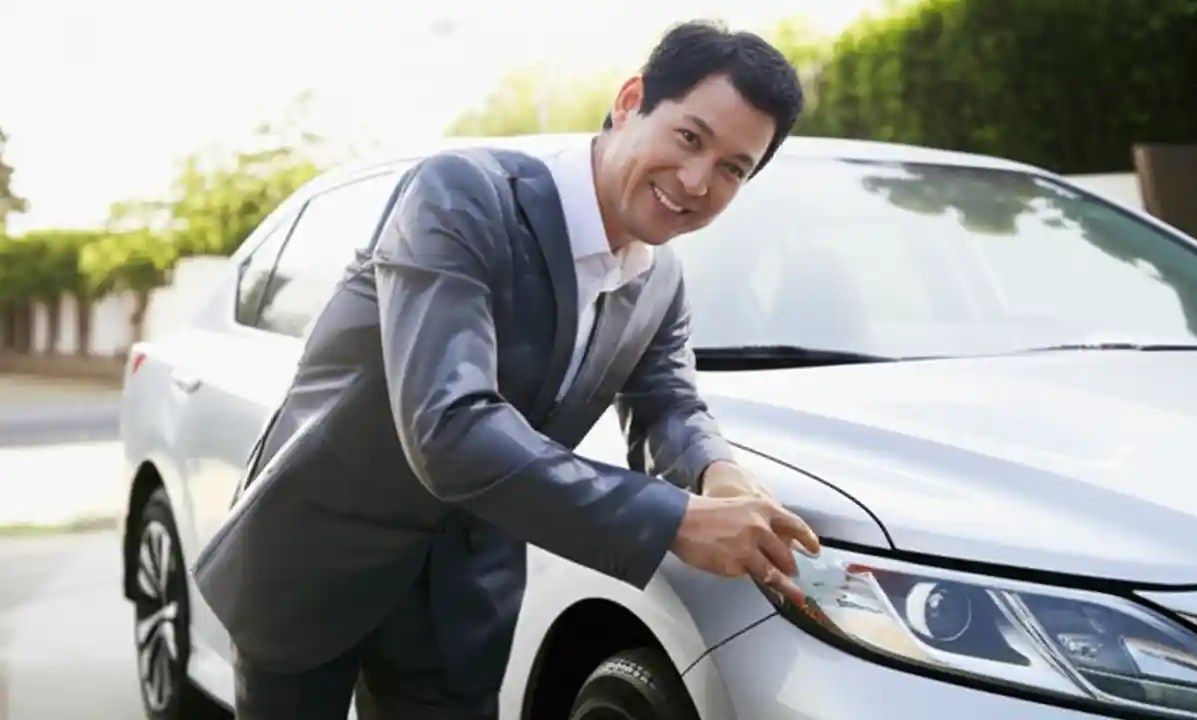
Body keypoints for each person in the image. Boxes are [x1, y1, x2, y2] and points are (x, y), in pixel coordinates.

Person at [192, 18, 820, 719]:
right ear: (630, 101)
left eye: (733, 169)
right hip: (317, 559)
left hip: (460, 603)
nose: (698, 181)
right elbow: (449, 427)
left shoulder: (661, 280)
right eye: (689, 137)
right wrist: (673, 520)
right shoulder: (461, 194)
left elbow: (667, 403)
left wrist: (714, 472)